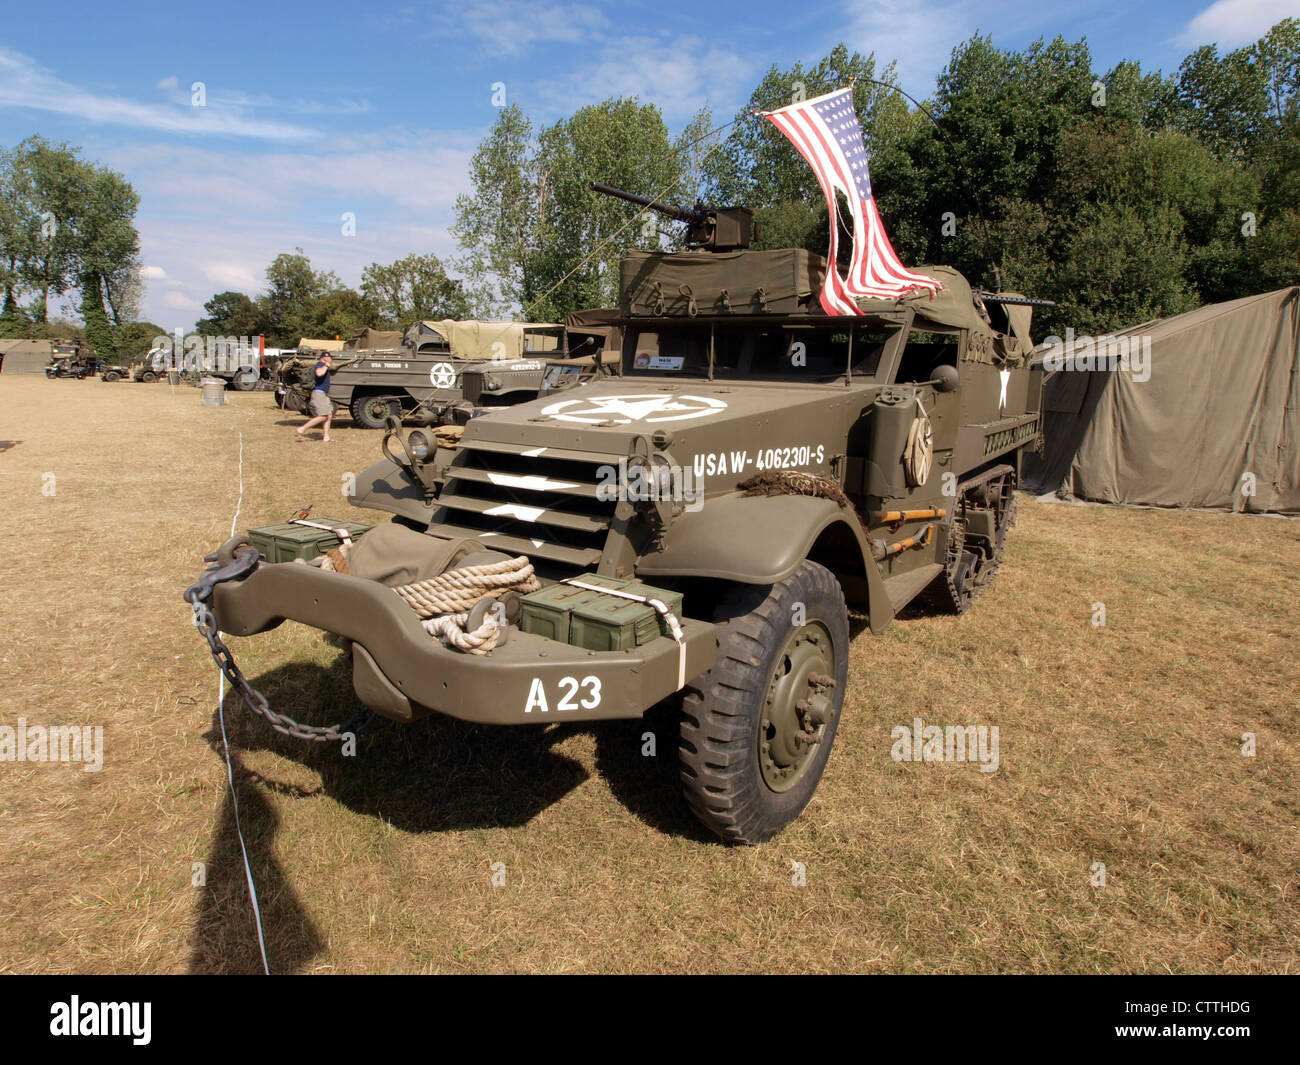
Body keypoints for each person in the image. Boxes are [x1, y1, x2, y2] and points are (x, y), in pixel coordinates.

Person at [296, 352, 335, 442]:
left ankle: (326, 437)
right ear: (324, 358)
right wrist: (326, 366)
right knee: (324, 416)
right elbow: (319, 373)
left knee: (328, 415)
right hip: (319, 394)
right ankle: (302, 429)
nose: (331, 359)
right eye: (330, 357)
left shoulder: (323, 364)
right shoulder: (320, 365)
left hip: (323, 394)